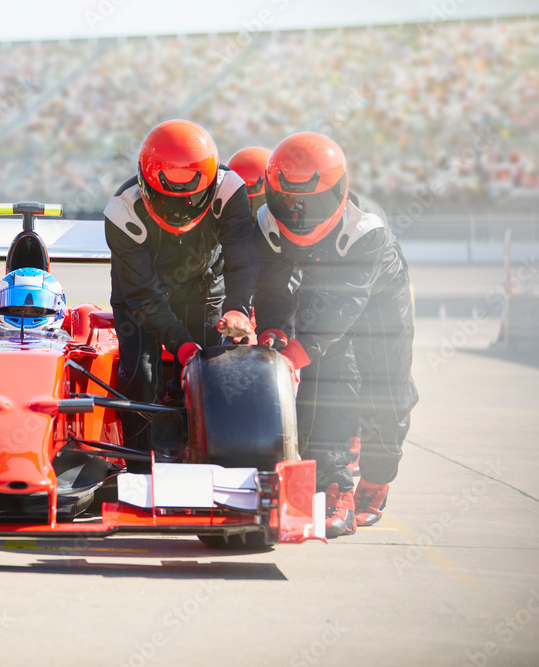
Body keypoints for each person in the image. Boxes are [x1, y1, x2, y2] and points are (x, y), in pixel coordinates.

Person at [254, 131, 418, 537]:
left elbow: (342, 308)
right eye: (289, 201)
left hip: (376, 297)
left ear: (337, 190)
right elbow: (271, 287)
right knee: (327, 383)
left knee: (387, 390)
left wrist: (297, 350)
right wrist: (273, 330)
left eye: (308, 202)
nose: (297, 212)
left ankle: (377, 481)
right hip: (319, 289)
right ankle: (333, 488)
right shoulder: (268, 224)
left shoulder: (367, 233)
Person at [103, 120, 259, 470]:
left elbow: (242, 258)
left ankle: (217, 464)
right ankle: (139, 466)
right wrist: (181, 344)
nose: (179, 208)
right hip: (139, 297)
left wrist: (237, 309)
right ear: (146, 183)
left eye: (189, 195)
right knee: (142, 379)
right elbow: (144, 295)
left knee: (215, 374)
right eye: (169, 197)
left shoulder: (231, 189)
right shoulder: (122, 210)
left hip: (204, 285)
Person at [230, 144, 363, 474]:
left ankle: (345, 440)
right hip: (252, 307)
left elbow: (292, 282)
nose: (250, 207)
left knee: (333, 366)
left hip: (291, 305)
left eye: (256, 197)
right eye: (242, 198)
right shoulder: (231, 225)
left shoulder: (315, 216)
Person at [0, 267, 70, 340]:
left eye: (36, 312)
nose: (25, 315)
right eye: (17, 310)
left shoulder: (67, 349)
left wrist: (64, 342)